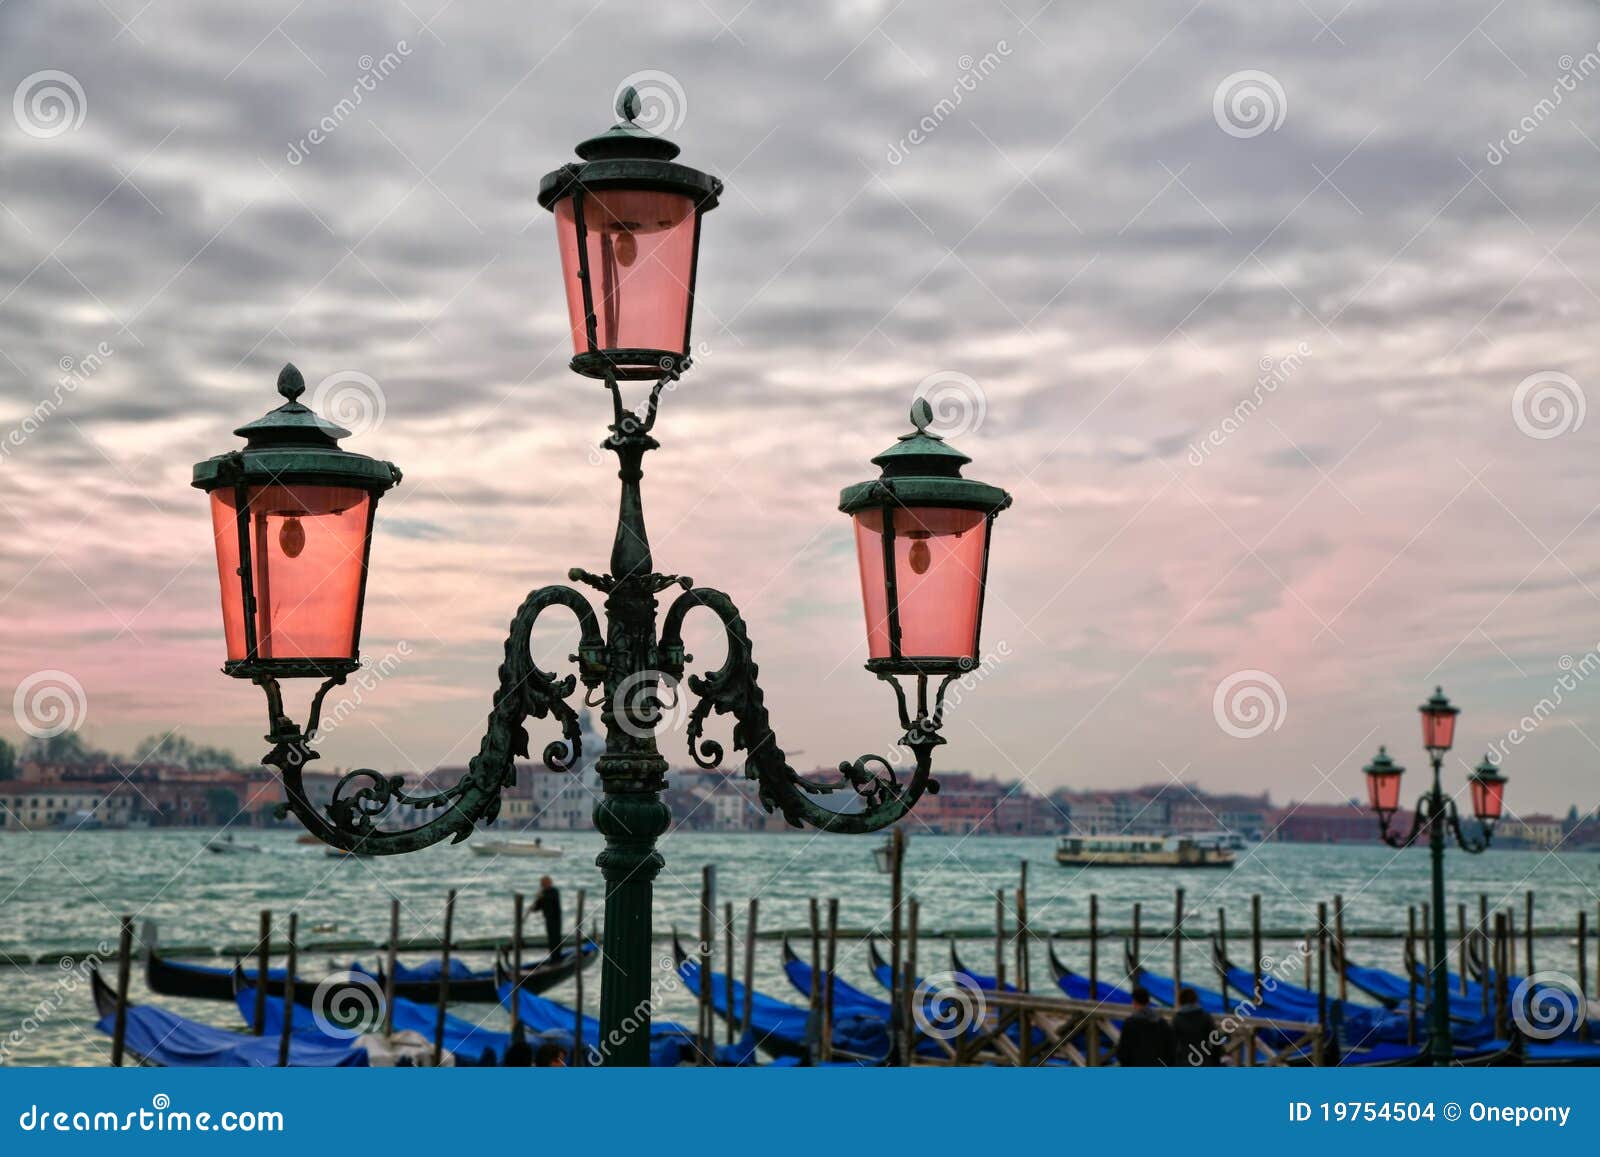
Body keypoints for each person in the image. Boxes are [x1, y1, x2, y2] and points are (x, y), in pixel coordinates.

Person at [1115, 985, 1177, 1067]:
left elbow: (1123, 1051)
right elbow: (1171, 1049)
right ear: (1148, 1001)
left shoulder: (1130, 1023)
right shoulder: (1161, 1022)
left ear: (1134, 1002)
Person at [1172, 986, 1221, 1066]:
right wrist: (1216, 1062)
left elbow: (1172, 1043)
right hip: (1204, 1060)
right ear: (1195, 1000)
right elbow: (1216, 1041)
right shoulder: (1205, 1017)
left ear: (1180, 1001)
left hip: (1183, 1061)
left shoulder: (1177, 1019)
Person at [532, 876, 562, 955]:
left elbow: (551, 898)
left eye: (545, 883)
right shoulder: (543, 893)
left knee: (556, 937)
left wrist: (541, 896)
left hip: (555, 918)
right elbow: (539, 906)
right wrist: (533, 908)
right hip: (548, 918)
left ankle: (557, 956)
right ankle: (553, 956)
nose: (543, 885)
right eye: (542, 884)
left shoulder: (554, 891)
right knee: (551, 938)